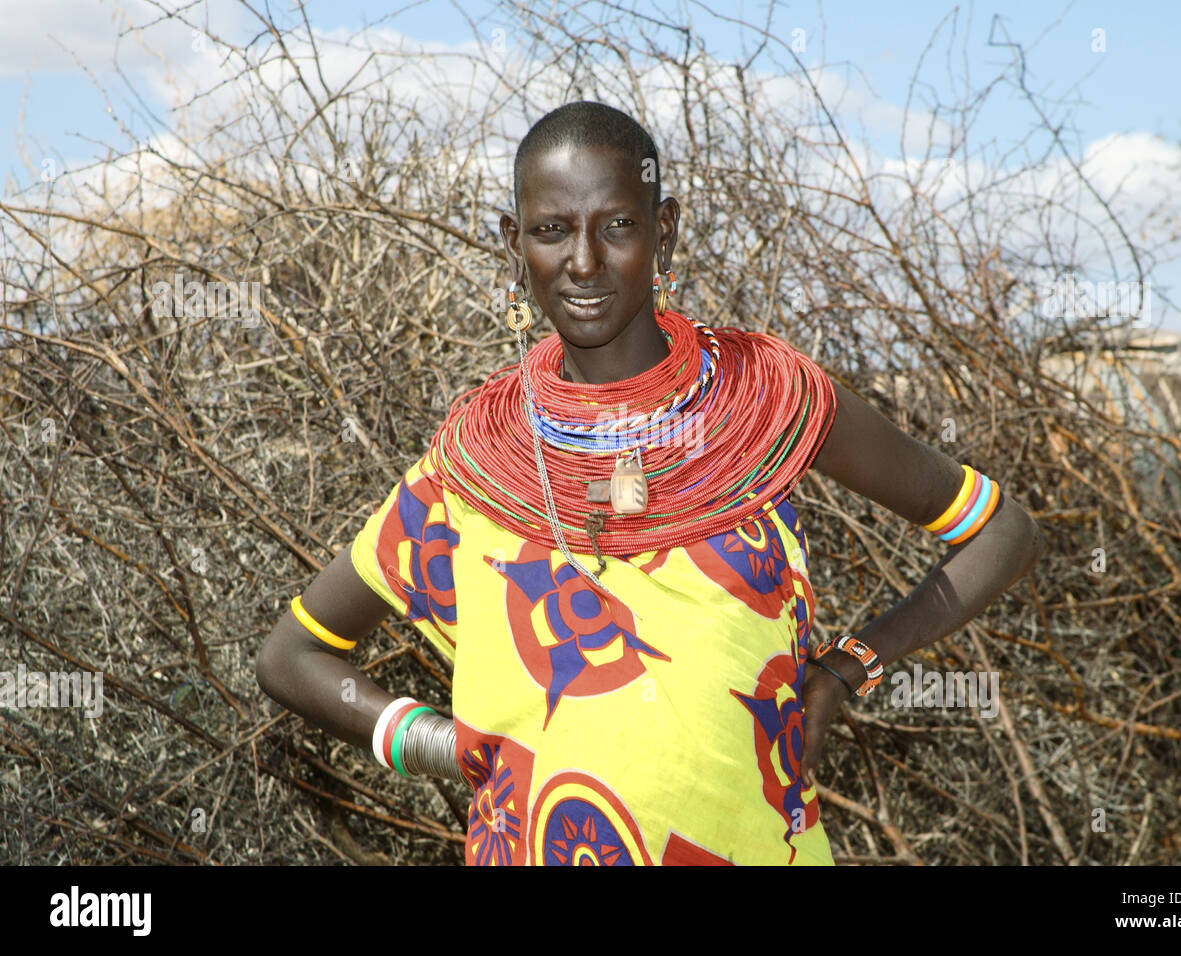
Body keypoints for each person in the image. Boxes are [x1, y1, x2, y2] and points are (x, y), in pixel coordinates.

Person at [256, 100, 1045, 866]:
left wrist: (849, 667)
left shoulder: (766, 401)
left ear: (663, 230)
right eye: (551, 231)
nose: (585, 261)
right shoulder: (475, 464)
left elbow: (1003, 531)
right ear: (513, 243)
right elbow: (292, 656)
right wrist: (438, 741)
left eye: (618, 226)